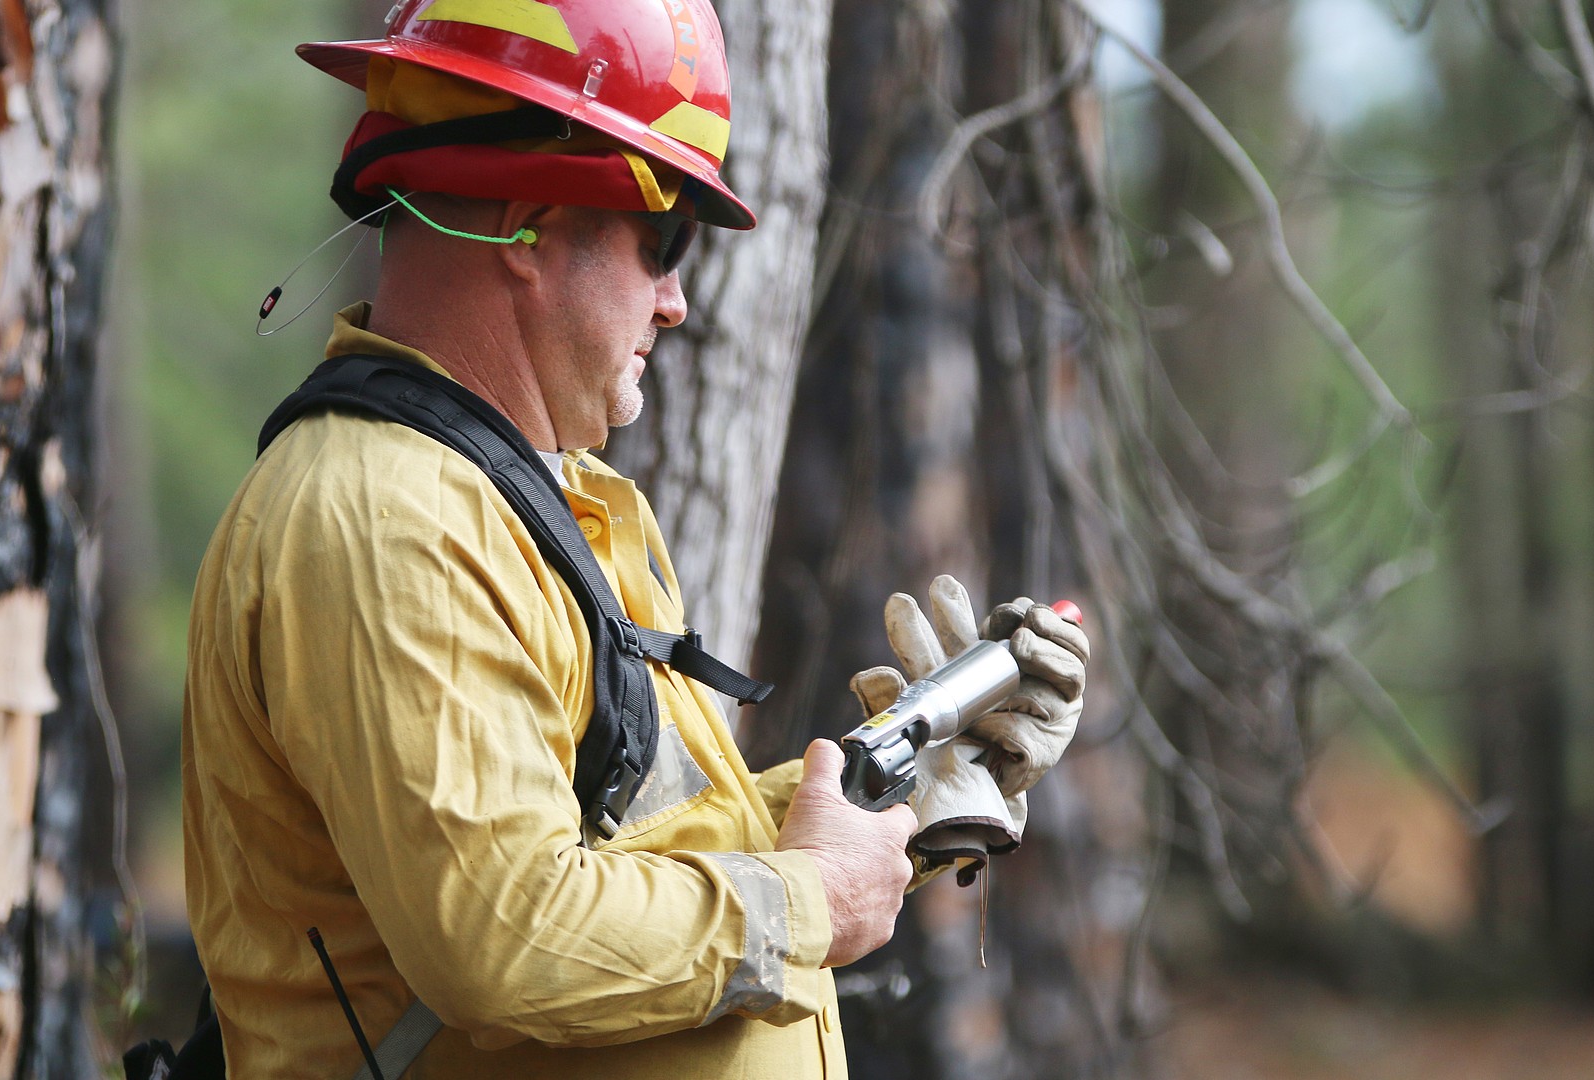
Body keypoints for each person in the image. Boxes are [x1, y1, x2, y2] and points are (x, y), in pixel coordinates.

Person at [179, 2, 1088, 1077]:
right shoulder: (389, 524)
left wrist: (913, 785)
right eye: (664, 242)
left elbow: (635, 866)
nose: (678, 302)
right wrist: (808, 902)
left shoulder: (541, 503)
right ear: (528, 223)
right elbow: (503, 937)